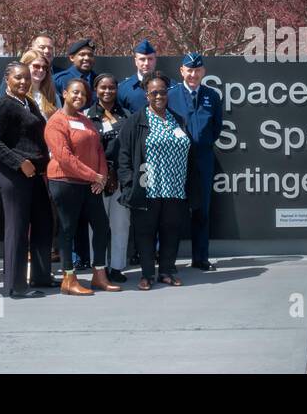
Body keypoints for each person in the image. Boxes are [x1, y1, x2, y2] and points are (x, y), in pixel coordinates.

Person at [117, 73, 199, 291]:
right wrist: (127, 184)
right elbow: (124, 156)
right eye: (154, 92)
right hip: (147, 188)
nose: (159, 95)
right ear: (147, 95)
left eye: (163, 91)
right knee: (145, 232)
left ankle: (167, 271)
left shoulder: (178, 119)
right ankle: (146, 274)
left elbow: (190, 153)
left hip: (175, 188)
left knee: (171, 230)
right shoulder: (136, 122)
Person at [0, 62, 56, 298]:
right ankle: (15, 286)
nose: (23, 82)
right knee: (17, 227)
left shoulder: (29, 103)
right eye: (18, 78)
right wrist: (18, 162)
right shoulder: (3, 105)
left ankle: (41, 276)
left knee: (44, 222)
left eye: (26, 78)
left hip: (35, 173)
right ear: (7, 79)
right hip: (12, 174)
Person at [46, 78, 121, 294]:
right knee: (68, 230)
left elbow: (98, 148)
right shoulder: (56, 122)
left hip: (90, 183)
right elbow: (64, 157)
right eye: (75, 93)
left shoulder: (85, 120)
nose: (79, 97)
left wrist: (102, 176)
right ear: (64, 93)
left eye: (83, 94)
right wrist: (93, 176)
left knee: (101, 227)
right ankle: (68, 279)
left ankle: (99, 275)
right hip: (65, 182)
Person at [168, 53, 224, 271]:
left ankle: (200, 258)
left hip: (203, 160)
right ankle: (168, 261)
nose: (193, 75)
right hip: (176, 160)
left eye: (197, 70)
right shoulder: (171, 95)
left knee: (202, 211)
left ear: (203, 72)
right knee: (172, 212)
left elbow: (216, 127)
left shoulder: (212, 95)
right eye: (189, 70)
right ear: (182, 71)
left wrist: (203, 143)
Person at [87, 73, 131, 282]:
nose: (107, 91)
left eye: (111, 87)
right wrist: (97, 174)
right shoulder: (86, 116)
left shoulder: (127, 116)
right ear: (96, 90)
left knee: (120, 223)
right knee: (97, 225)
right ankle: (99, 266)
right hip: (97, 178)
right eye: (103, 87)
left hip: (120, 177)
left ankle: (117, 267)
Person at [53, 38, 97, 107]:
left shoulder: (98, 80)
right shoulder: (59, 80)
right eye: (82, 54)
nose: (87, 58)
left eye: (90, 55)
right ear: (72, 58)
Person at [117, 39, 158, 114]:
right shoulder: (123, 89)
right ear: (136, 61)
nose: (146, 63)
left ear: (155, 60)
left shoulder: (169, 86)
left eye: (150, 59)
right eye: (142, 59)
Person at [20, 50, 59, 119]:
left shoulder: (53, 95)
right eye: (36, 66)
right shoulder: (18, 94)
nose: (41, 70)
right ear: (25, 66)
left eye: (44, 67)